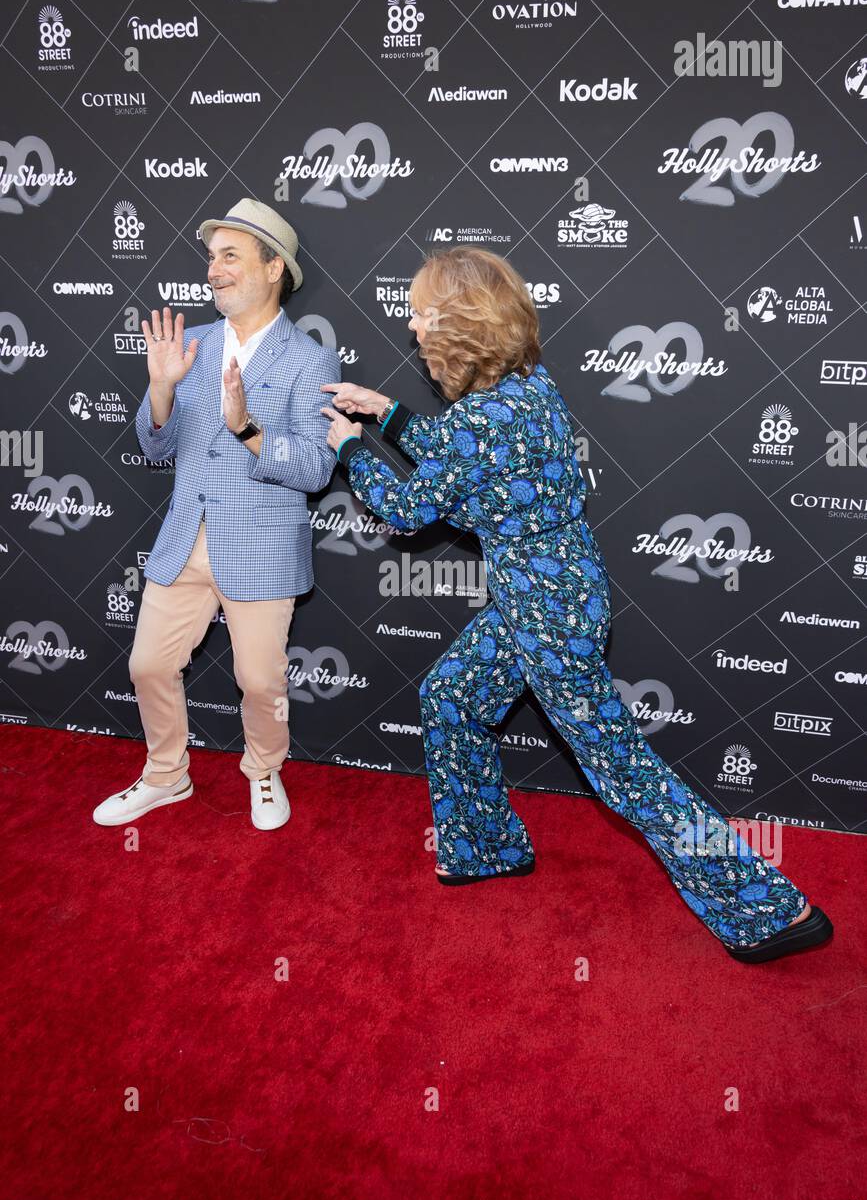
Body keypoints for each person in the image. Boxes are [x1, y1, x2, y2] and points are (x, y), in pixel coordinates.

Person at [321, 246, 832, 963]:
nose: (410, 325)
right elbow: (467, 458)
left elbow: (410, 506)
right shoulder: (525, 387)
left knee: (621, 768)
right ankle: (482, 847)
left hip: (544, 615)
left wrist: (351, 447)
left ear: (456, 322)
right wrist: (391, 414)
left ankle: (768, 910)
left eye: (418, 311)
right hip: (550, 595)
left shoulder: (483, 415)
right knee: (451, 697)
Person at [93, 198, 339, 831]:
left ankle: (264, 771)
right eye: (211, 257)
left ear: (274, 267)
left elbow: (315, 470)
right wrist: (161, 388)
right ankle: (165, 776)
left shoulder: (309, 359)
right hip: (184, 539)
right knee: (147, 665)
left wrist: (248, 429)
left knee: (260, 684)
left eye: (230, 256)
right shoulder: (191, 345)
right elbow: (154, 446)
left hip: (261, 545)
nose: (214, 270)